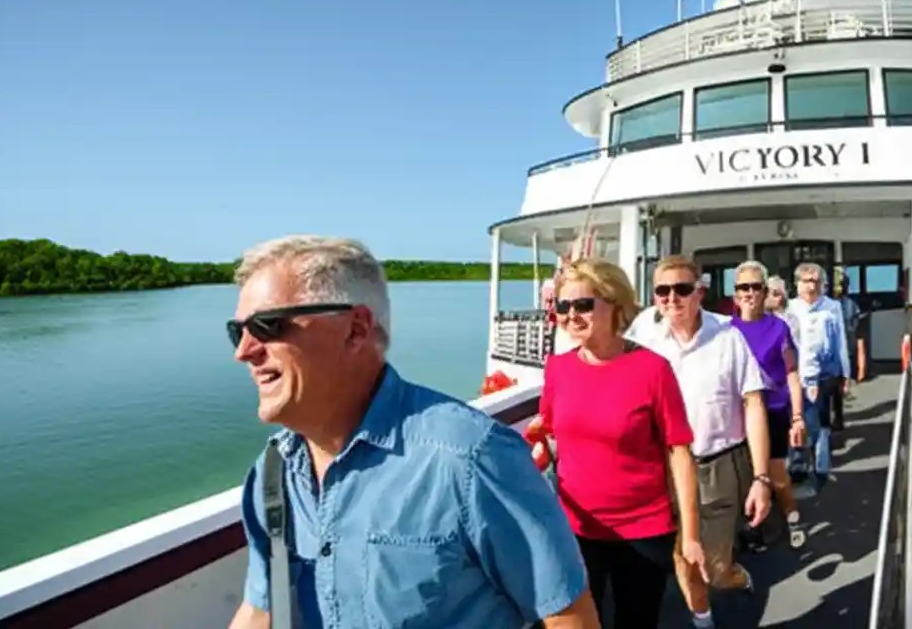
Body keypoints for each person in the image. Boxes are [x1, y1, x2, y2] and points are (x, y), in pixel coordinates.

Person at [227, 235, 599, 629]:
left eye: (267, 326)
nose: (244, 350)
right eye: (238, 332)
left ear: (355, 329)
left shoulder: (469, 457)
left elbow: (566, 617)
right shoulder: (272, 476)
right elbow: (261, 607)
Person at [530, 256, 706, 627]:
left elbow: (679, 451)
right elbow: (549, 434)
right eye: (564, 306)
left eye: (583, 304)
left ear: (615, 305)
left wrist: (689, 535)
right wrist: (536, 449)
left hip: (644, 530)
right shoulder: (557, 368)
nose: (572, 315)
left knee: (636, 621)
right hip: (577, 529)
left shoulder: (652, 369)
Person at [626, 255, 773, 626]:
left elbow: (753, 403)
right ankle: (702, 618)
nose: (671, 298)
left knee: (716, 568)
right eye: (662, 290)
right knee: (682, 554)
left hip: (717, 464)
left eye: (682, 289)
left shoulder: (728, 335)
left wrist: (761, 478)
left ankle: (736, 577)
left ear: (700, 292)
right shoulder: (642, 338)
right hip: (661, 466)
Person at [728, 261, 808, 549]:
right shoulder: (726, 330)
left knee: (775, 474)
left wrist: (797, 417)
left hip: (773, 410)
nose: (749, 293)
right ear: (735, 295)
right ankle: (754, 529)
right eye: (742, 287)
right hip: (738, 414)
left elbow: (791, 373)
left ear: (764, 292)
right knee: (745, 475)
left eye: (755, 287)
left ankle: (791, 514)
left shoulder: (779, 328)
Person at [785, 262, 851, 492]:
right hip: (795, 374)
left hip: (825, 373)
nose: (810, 285)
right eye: (805, 281)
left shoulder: (832, 307)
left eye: (814, 280)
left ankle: (822, 466)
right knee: (797, 419)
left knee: (822, 422)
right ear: (797, 284)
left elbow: (841, 341)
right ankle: (797, 466)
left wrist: (845, 373)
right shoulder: (790, 308)